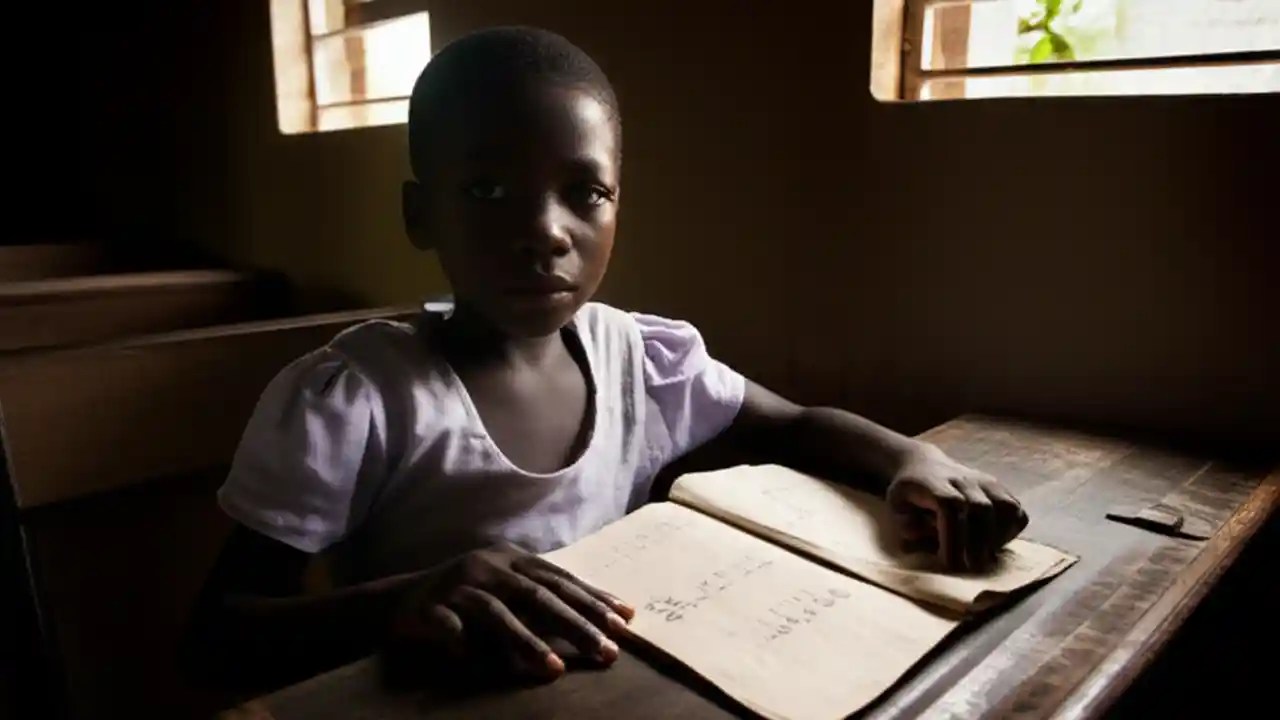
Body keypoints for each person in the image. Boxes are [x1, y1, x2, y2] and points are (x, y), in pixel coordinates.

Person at [185, 26, 1027, 691]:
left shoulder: (638, 358)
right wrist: (405, 600)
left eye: (585, 193)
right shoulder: (358, 398)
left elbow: (794, 425)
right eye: (485, 191)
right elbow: (218, 639)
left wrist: (911, 459)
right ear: (420, 215)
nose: (546, 231)